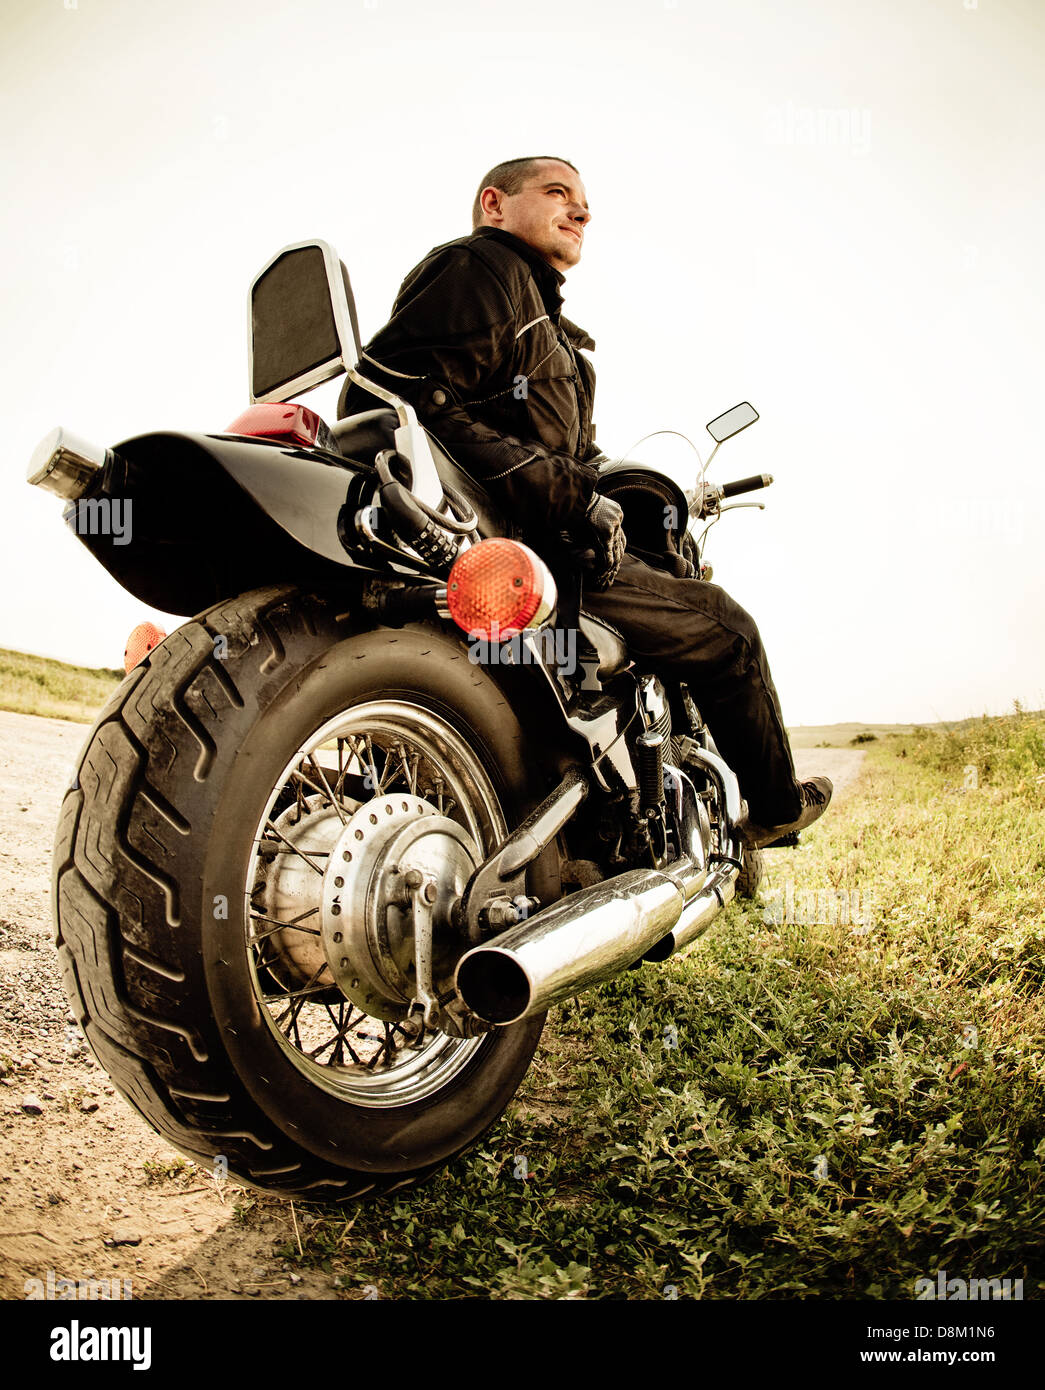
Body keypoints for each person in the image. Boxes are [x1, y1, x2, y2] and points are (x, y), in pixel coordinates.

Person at [337, 156, 830, 846]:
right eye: (556, 192)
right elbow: (402, 405)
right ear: (494, 204)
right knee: (727, 632)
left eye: (585, 201)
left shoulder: (540, 314)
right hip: (523, 550)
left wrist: (602, 490)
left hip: (532, 537)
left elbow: (556, 445)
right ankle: (775, 813)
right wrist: (574, 499)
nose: (580, 210)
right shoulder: (486, 268)